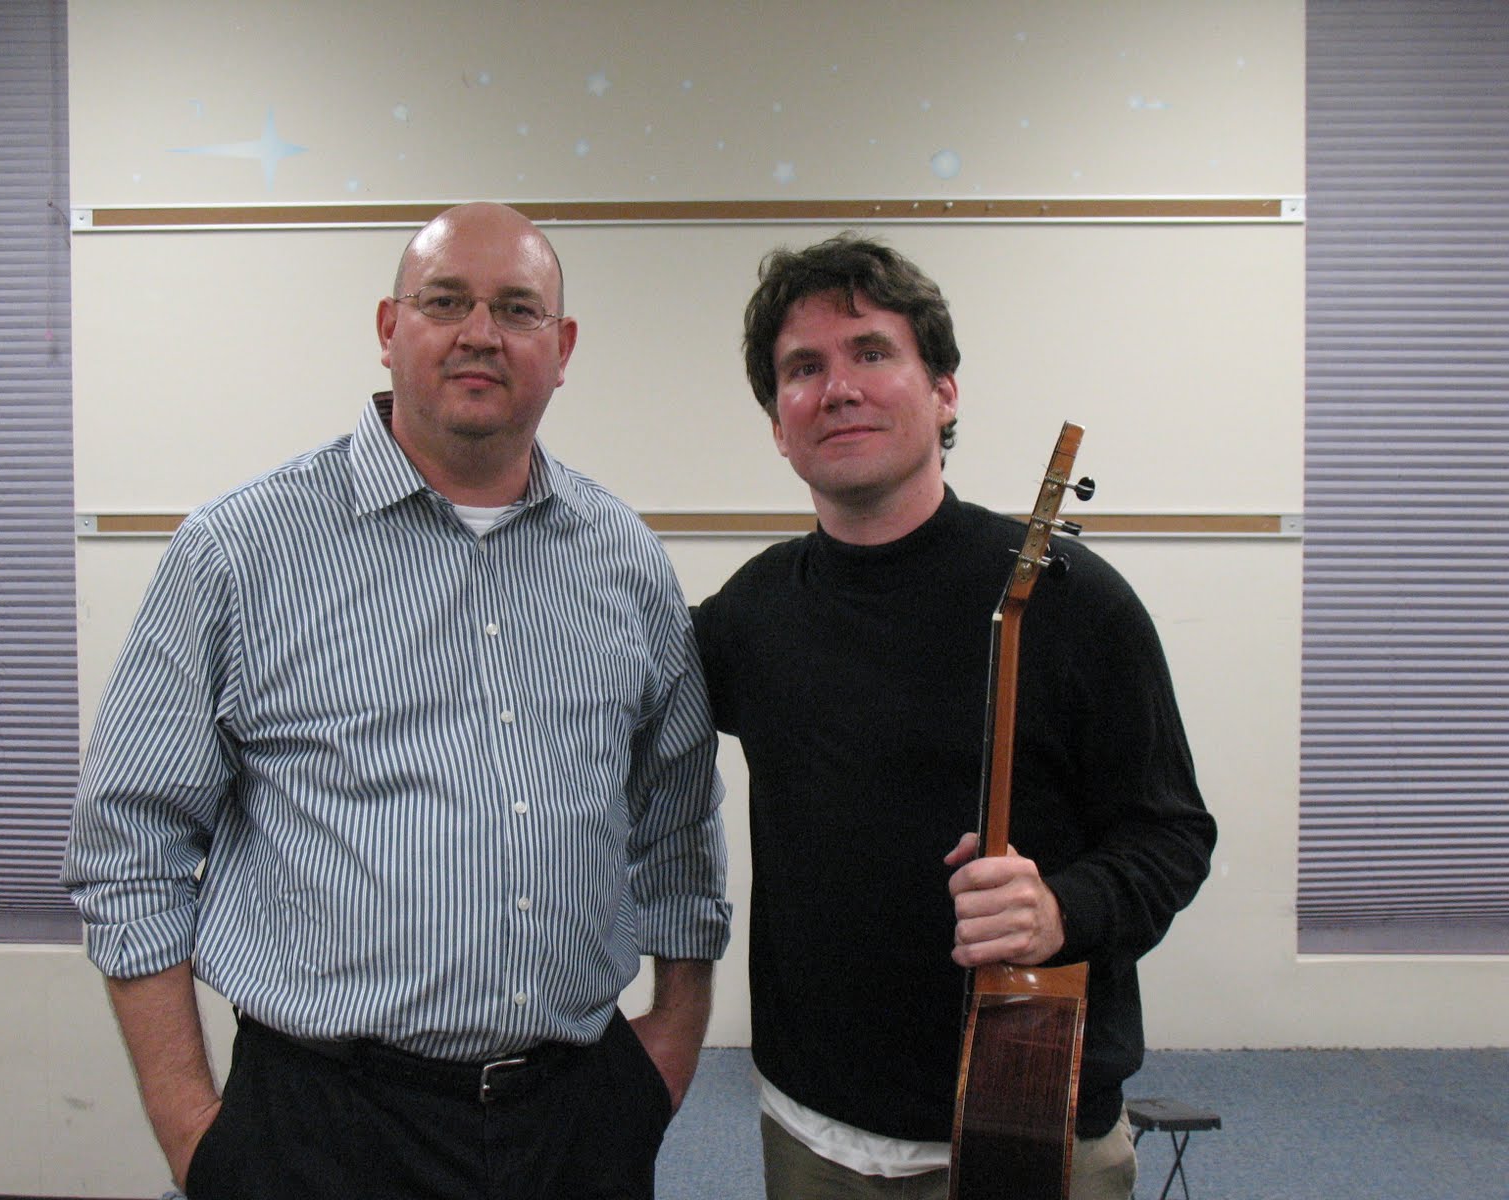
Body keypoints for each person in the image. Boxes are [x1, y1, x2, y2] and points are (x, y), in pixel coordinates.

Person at [62, 202, 731, 1200]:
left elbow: (674, 823)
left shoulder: (623, 560)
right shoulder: (239, 554)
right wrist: (192, 1129)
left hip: (576, 1121)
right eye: (444, 302)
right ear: (388, 328)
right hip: (320, 1130)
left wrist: (667, 1049)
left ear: (563, 346)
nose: (478, 333)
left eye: (517, 309)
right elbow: (127, 846)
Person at [692, 234, 1217, 1200]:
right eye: (803, 369)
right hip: (811, 1129)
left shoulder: (1072, 603)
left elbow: (1173, 836)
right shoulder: (752, 612)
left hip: (1024, 1130)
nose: (838, 387)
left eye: (871, 352)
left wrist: (1062, 907)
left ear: (944, 391)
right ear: (778, 423)